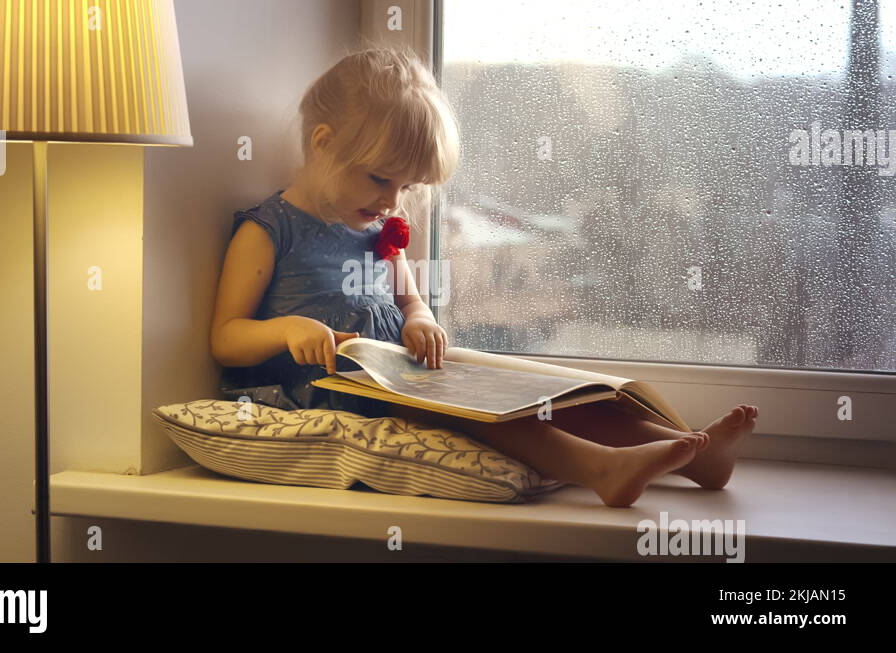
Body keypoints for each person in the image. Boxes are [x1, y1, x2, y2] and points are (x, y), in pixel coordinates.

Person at [210, 45, 759, 508]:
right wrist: (287, 329)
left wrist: (421, 319)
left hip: (398, 373)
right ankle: (602, 469)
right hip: (330, 388)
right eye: (381, 178)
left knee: (537, 390)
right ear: (322, 143)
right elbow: (226, 338)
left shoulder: (377, 227)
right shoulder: (270, 231)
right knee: (479, 410)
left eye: (406, 186)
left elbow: (409, 299)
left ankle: (691, 452)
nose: (392, 200)